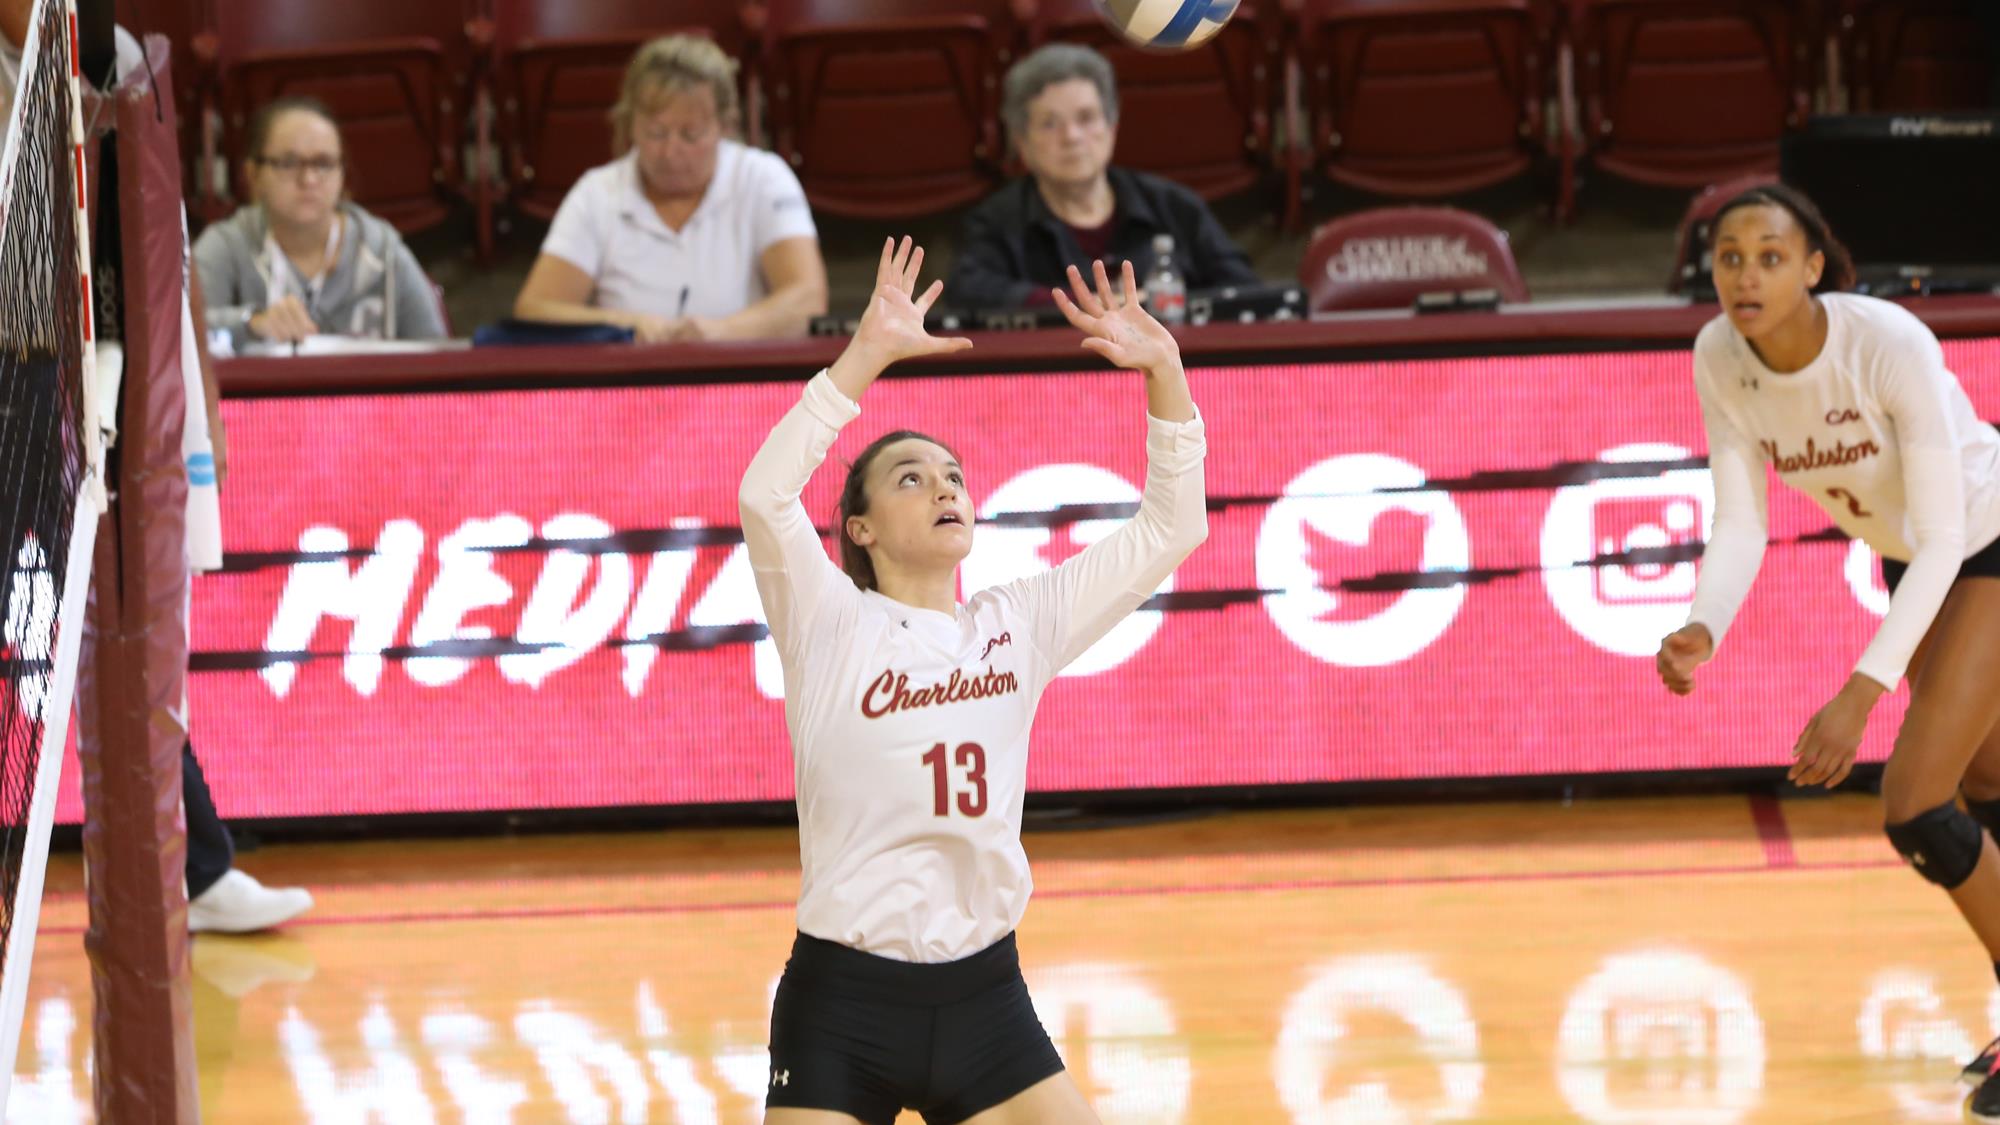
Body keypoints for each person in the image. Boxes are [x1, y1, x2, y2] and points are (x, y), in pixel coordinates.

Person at [743, 238, 1206, 1124]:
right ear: (862, 530)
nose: (944, 488)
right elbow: (767, 495)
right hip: (844, 1004)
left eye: (952, 475)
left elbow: (1171, 527)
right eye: (910, 479)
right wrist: (866, 355)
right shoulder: (828, 619)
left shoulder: (1016, 622)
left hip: (986, 1000)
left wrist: (1166, 373)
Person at [1652, 184, 2000, 1119]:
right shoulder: (1720, 355)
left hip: (1983, 539)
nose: (1746, 275)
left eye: (1770, 256)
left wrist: (1859, 694)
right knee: (1986, 789)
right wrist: (1702, 624)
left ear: (1813, 267)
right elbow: (1739, 520)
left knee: (1918, 799)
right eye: (1729, 257)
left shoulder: (1886, 342)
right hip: (1919, 561)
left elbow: (1939, 540)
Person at [0, 0, 314, 935]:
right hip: (21, 376)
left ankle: (195, 864)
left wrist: (195, 395)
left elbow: (161, 236)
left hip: (104, 384)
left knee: (122, 631)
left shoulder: (118, 54)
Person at [513, 34, 827, 344]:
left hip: (739, 382)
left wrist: (721, 333)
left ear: (725, 126)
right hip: (629, 384)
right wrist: (626, 325)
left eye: (690, 135)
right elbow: (535, 310)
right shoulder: (596, 193)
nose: (670, 152)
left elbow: (808, 300)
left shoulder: (763, 178)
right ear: (629, 124)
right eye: (655, 132)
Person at [945, 43, 1258, 312]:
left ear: (1112, 127)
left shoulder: (1175, 206)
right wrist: (1083, 304)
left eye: (1086, 118)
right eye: (1050, 124)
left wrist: (1163, 300)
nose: (1072, 137)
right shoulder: (995, 221)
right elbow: (967, 292)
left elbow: (1248, 292)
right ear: (1021, 143)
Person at [194, 95, 447, 350]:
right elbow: (180, 334)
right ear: (253, 174)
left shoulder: (382, 250)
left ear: (342, 175)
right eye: (288, 163)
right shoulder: (224, 245)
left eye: (324, 163)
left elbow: (437, 352)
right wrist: (250, 323)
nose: (308, 179)